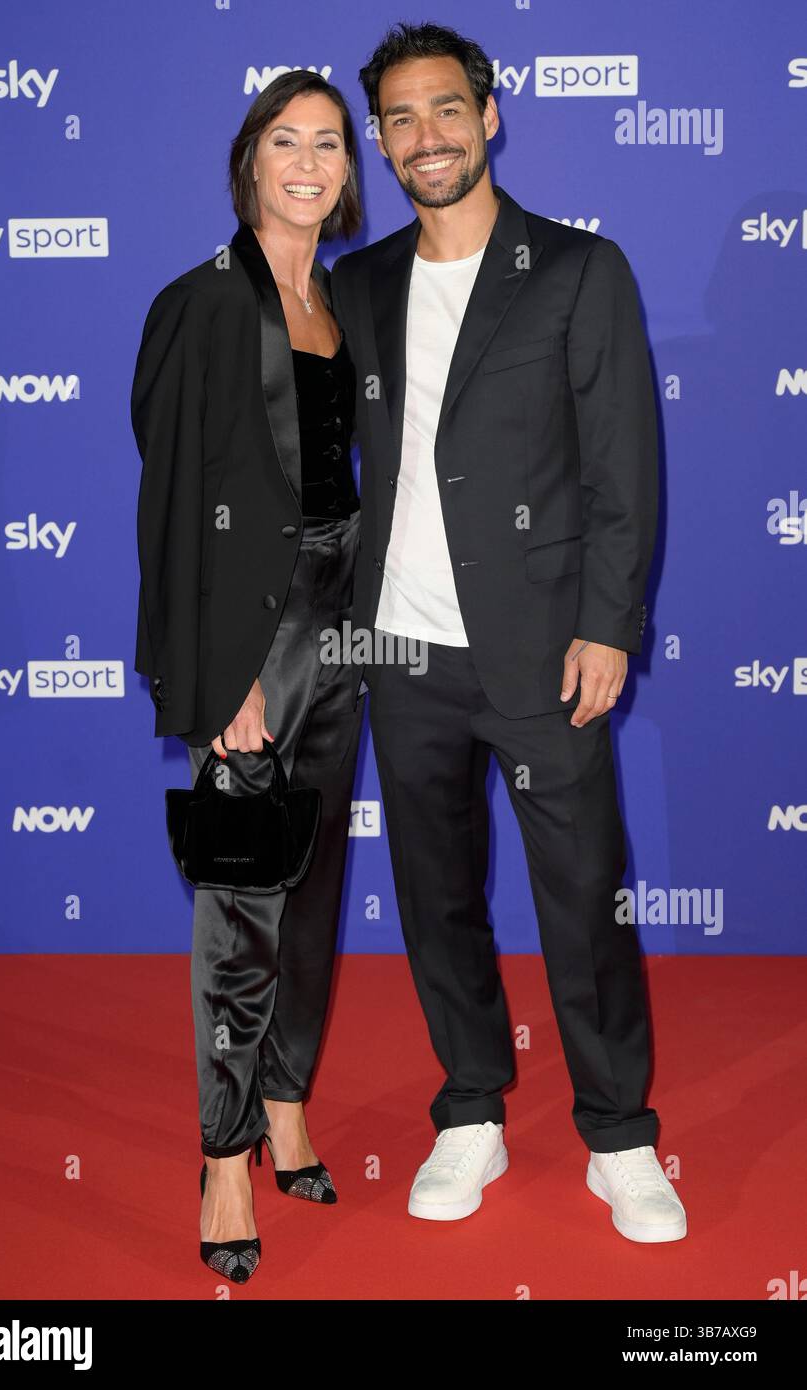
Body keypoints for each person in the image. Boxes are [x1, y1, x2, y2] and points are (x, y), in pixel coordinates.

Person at [330, 21, 687, 1243]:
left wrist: (608, 625)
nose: (422, 136)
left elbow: (620, 470)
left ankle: (619, 1134)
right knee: (436, 896)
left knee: (581, 894)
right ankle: (469, 1109)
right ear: (378, 142)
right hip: (400, 651)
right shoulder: (358, 283)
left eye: (443, 110)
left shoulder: (580, 270)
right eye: (398, 119)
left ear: (489, 115)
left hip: (543, 648)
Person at [130, 70, 364, 1282]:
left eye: (330, 142)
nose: (311, 161)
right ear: (249, 159)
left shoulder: (337, 300)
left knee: (312, 888)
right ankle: (224, 1155)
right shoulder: (202, 305)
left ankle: (284, 1103)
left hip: (342, 630)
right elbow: (171, 511)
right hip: (250, 639)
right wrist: (218, 680)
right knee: (240, 911)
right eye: (288, 140)